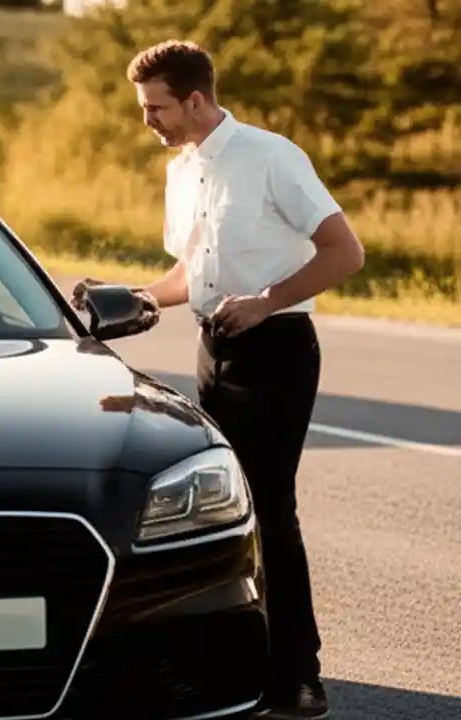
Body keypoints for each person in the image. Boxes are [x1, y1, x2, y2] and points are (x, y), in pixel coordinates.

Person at [74, 39, 365, 720]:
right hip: (215, 350)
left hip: (278, 348)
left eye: (157, 107)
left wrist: (265, 301)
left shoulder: (271, 158)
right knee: (221, 511)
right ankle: (238, 669)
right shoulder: (182, 171)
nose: (148, 120)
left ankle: (298, 680)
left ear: (197, 99)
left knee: (268, 507)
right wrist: (135, 297)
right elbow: (193, 273)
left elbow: (345, 252)